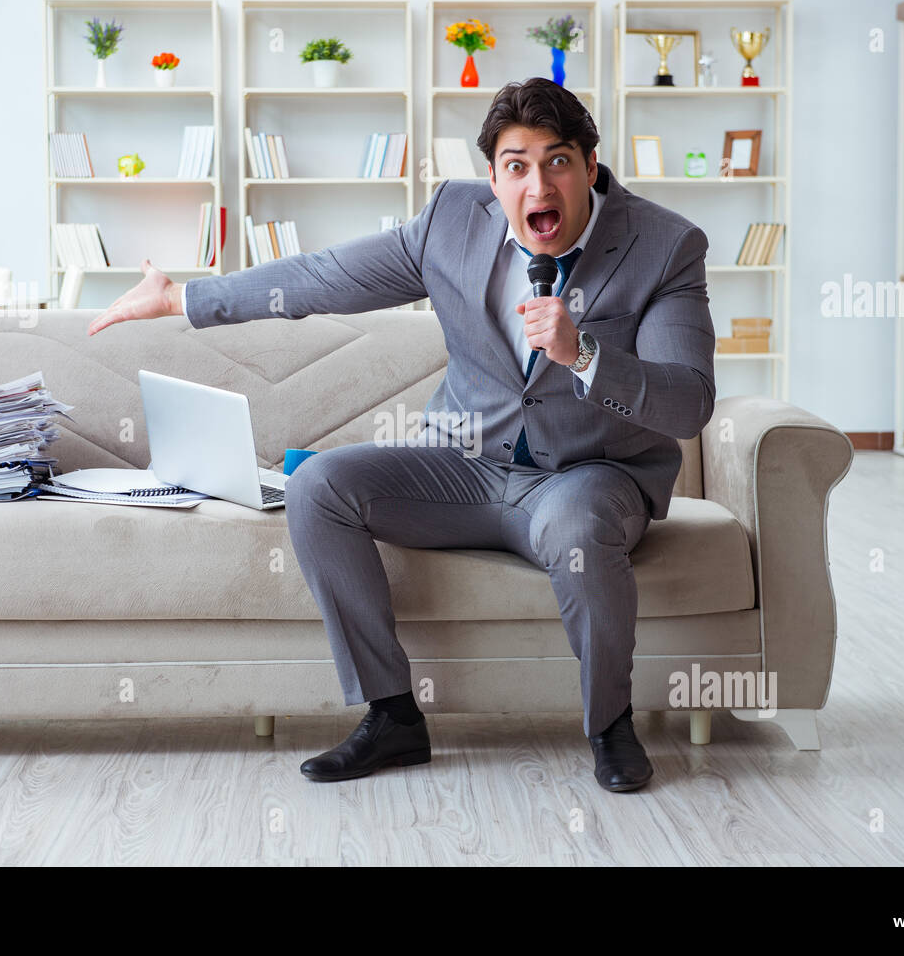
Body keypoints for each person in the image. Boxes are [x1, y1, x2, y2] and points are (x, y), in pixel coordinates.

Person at [88, 77, 715, 793]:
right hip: (468, 468)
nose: (538, 184)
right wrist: (182, 297)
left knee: (576, 529)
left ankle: (610, 726)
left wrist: (588, 357)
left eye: (558, 160)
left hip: (589, 475)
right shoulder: (453, 219)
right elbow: (324, 277)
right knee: (320, 486)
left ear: (591, 163)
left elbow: (688, 403)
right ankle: (392, 717)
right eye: (517, 165)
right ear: (493, 176)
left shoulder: (663, 246)